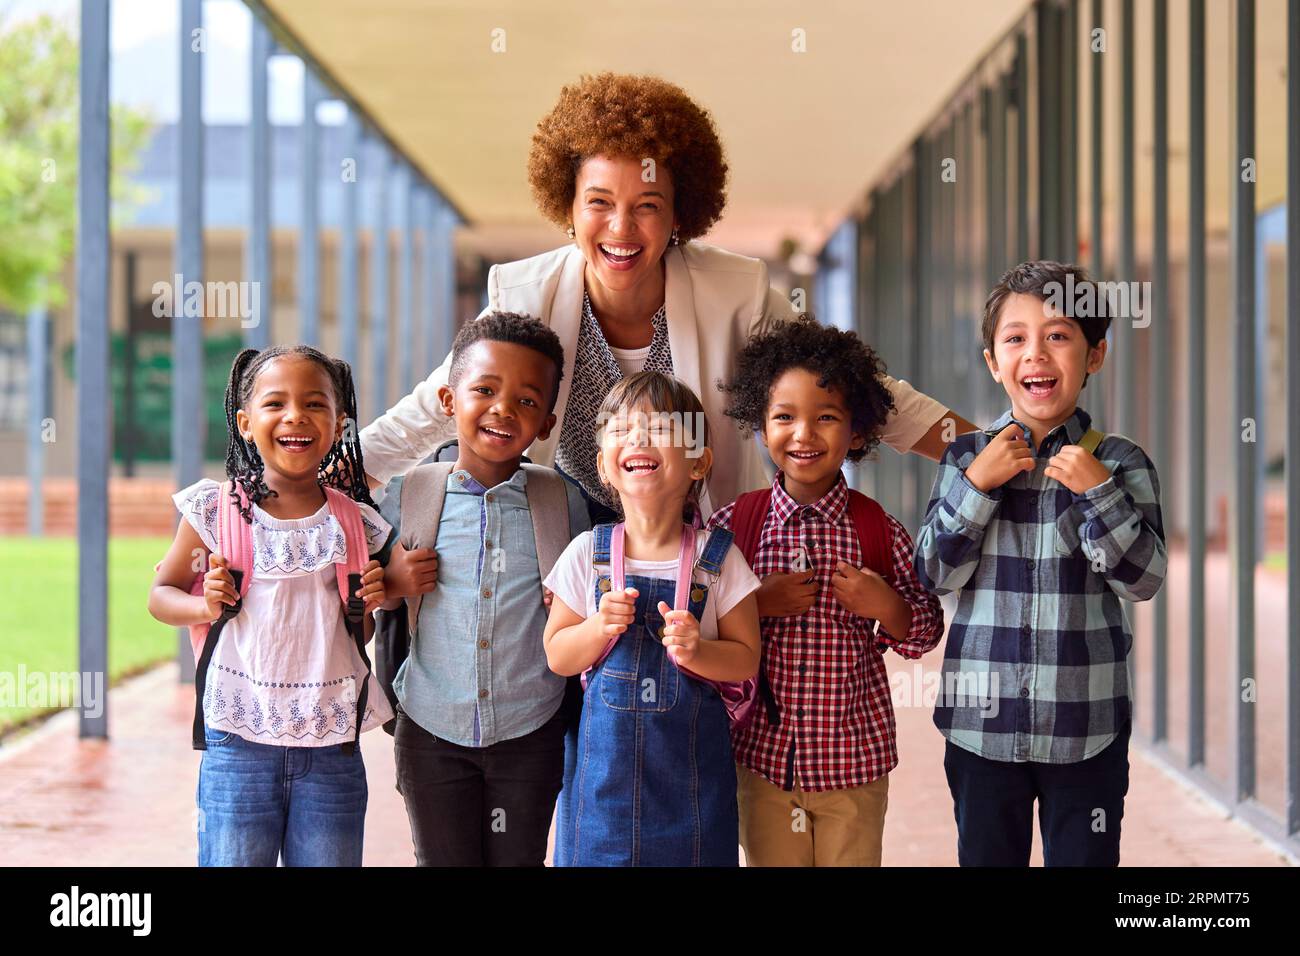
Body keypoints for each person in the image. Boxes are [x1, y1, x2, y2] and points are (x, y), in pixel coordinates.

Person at [914, 261, 1167, 866]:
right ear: (993, 362)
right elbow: (932, 575)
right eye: (1016, 338)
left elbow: (1144, 580)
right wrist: (977, 485)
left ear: (1095, 355)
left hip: (1087, 727)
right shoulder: (965, 457)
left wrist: (1100, 492)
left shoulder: (1121, 461)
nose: (1036, 354)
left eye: (1058, 336)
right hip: (981, 730)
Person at [706, 315, 944, 866]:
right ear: (760, 428)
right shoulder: (732, 527)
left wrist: (886, 606)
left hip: (854, 769)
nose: (804, 434)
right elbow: (696, 625)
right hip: (762, 764)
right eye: (784, 417)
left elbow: (924, 634)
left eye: (827, 417)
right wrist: (756, 603)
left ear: (856, 432)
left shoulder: (878, 529)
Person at [147, 346, 390, 866]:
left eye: (315, 404)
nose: (295, 416)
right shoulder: (216, 510)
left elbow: (356, 634)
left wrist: (367, 600)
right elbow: (160, 595)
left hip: (330, 739)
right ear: (246, 422)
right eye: (275, 403)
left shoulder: (354, 522)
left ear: (340, 422)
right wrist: (203, 606)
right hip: (238, 739)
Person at [380, 312, 589, 866]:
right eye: (485, 390)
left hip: (531, 729)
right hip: (430, 729)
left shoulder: (562, 503)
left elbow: (590, 588)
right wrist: (392, 584)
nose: (503, 409)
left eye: (527, 401)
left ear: (546, 422)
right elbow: (355, 590)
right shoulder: (407, 497)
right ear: (450, 401)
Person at [542, 372, 761, 865]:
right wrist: (597, 627)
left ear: (699, 462)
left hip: (692, 797)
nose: (637, 437)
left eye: (660, 427)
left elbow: (747, 660)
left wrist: (700, 651)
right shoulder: (587, 554)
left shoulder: (719, 559)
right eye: (621, 429)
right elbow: (557, 655)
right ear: (603, 465)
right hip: (602, 803)